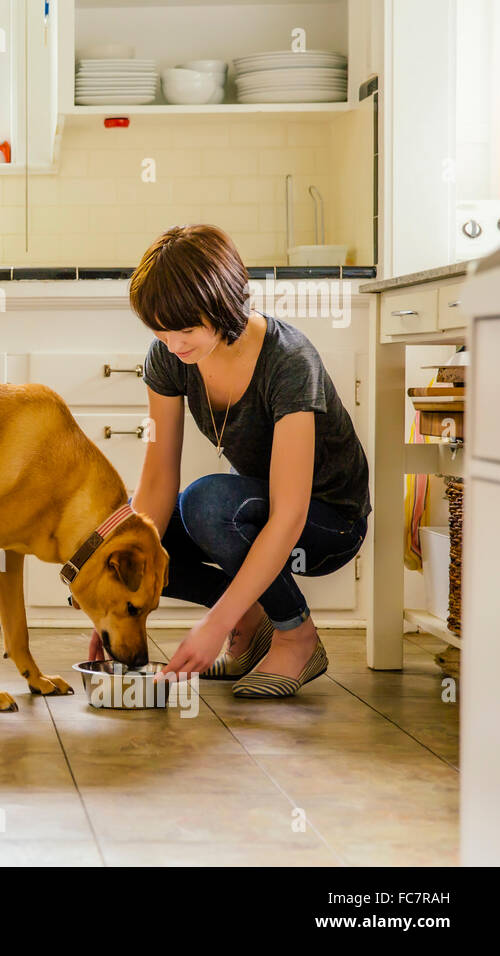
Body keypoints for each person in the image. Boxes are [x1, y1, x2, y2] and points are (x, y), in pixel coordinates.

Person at [96, 224, 370, 698]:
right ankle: (250, 623)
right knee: (131, 546)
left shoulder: (288, 360)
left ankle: (296, 636)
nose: (174, 344)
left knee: (206, 503)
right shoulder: (168, 356)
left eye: (185, 329)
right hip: (252, 512)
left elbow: (290, 514)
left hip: (328, 524)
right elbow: (158, 479)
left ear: (224, 305)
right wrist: (111, 599)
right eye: (160, 331)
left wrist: (212, 624)